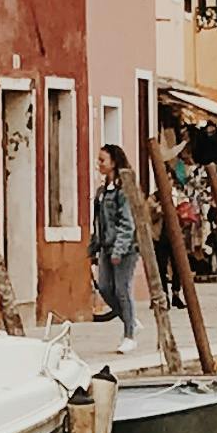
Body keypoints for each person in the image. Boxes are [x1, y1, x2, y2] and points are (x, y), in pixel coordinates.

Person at [87, 145, 140, 340]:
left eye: (102, 160)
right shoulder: (102, 191)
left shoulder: (122, 190)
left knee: (122, 288)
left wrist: (119, 250)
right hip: (105, 247)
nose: (98, 164)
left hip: (125, 249)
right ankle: (129, 318)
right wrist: (93, 248)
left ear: (114, 163)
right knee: (105, 288)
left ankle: (129, 335)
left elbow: (127, 222)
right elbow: (98, 222)